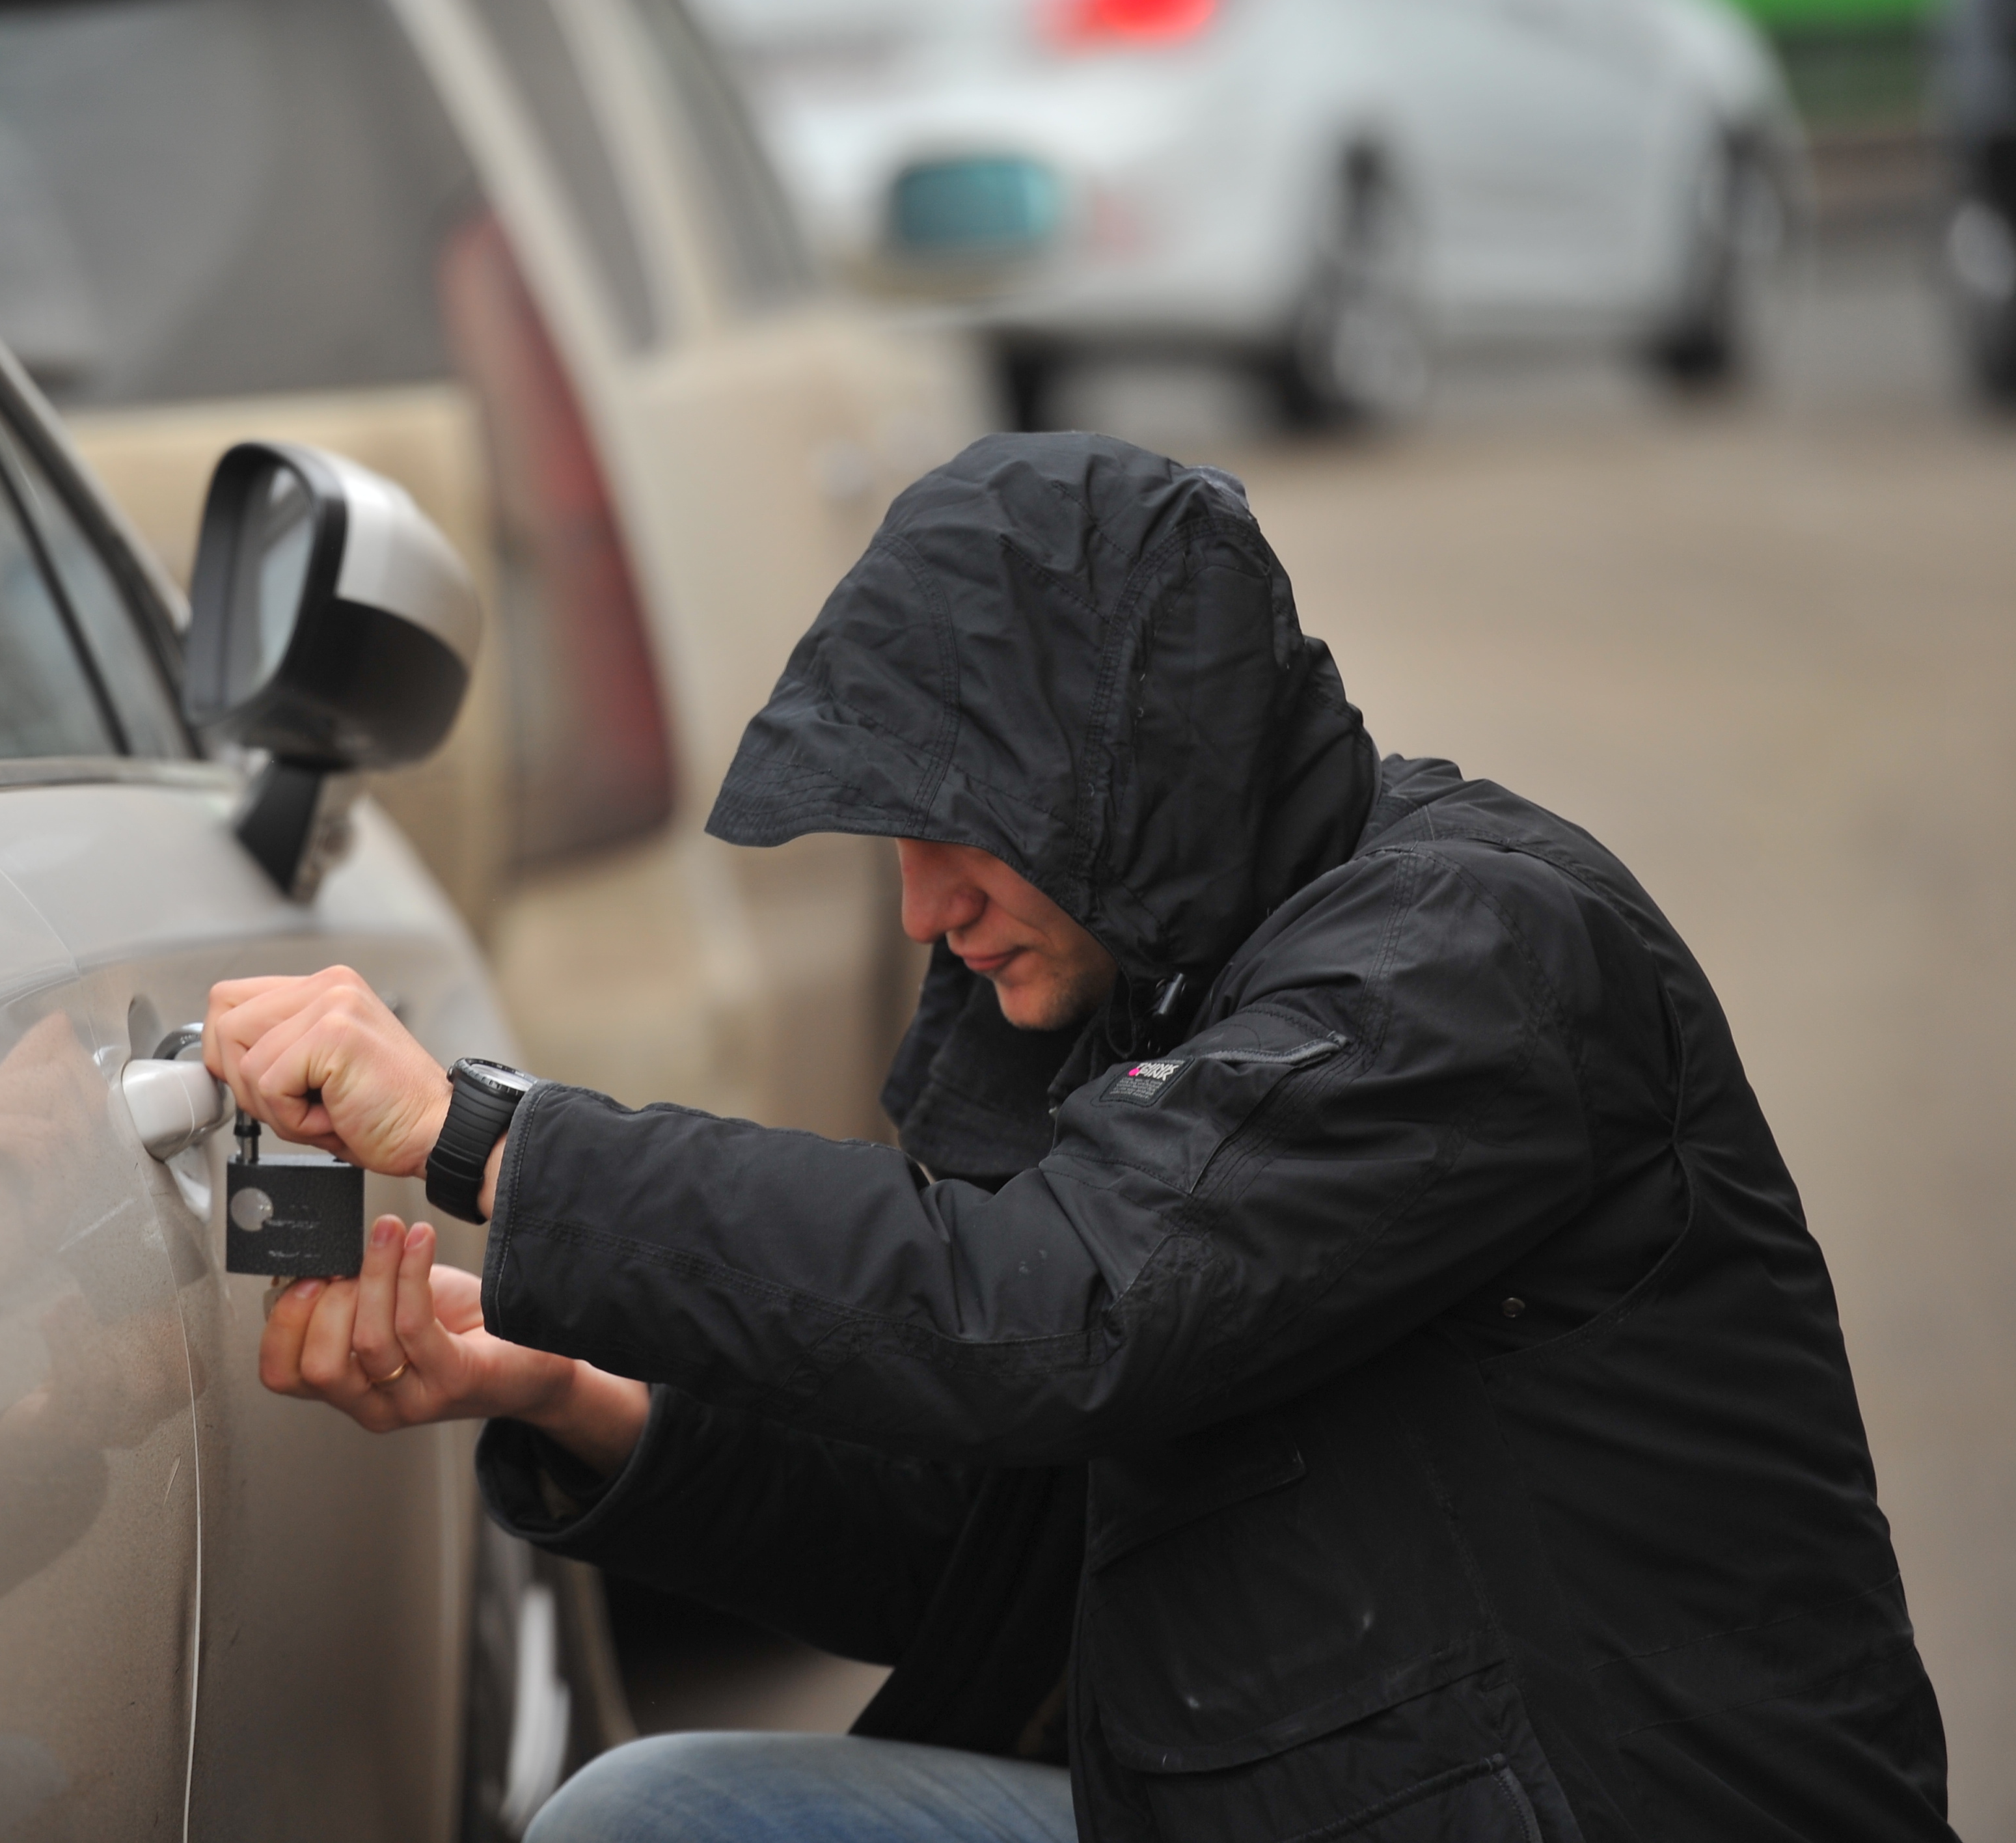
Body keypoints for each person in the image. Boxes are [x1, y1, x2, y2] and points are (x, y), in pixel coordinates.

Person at [202, 434, 1955, 1842]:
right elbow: (975, 1541)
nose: (918, 907)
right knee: (668, 1812)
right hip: (1276, 1792)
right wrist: (561, 1386)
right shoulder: (1133, 993)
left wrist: (490, 1137)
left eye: (963, 830)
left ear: (1133, 772)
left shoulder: (1473, 958)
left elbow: (1052, 1314)